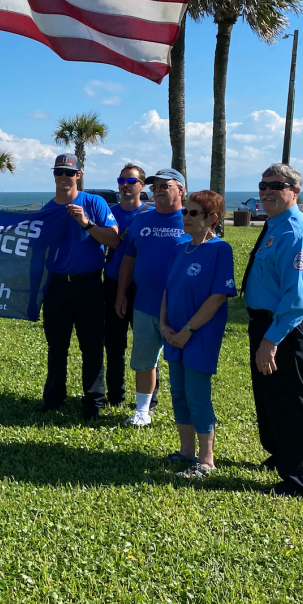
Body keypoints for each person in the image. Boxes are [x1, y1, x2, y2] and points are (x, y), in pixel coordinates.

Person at [242, 163, 303, 498]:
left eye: (276, 185)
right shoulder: (275, 225)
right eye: (263, 185)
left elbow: (296, 300)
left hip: (286, 329)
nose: (267, 191)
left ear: (295, 192)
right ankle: (281, 456)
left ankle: (298, 481)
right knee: (270, 398)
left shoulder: (296, 233)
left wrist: (270, 341)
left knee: (292, 402)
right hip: (266, 324)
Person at [161, 190, 236, 478]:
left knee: (196, 395)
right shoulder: (181, 249)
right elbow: (168, 289)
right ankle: (185, 452)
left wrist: (189, 329)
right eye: (185, 212)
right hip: (173, 334)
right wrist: (164, 324)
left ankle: (206, 460)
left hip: (199, 336)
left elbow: (218, 296)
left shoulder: (220, 250)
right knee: (178, 393)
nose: (186, 217)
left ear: (212, 218)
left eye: (193, 213)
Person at [39, 153, 119, 420]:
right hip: (57, 287)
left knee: (93, 345)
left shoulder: (93, 203)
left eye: (69, 173)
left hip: (89, 286)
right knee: (56, 345)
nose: (64, 177)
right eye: (59, 172)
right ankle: (53, 398)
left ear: (79, 175)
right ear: (53, 176)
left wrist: (86, 223)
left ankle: (93, 401)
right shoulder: (46, 211)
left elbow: (114, 240)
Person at [118, 168, 189, 427]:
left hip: (181, 308)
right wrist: (121, 294)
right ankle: (142, 412)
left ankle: (189, 413)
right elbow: (128, 258)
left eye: (165, 185)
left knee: (183, 363)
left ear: (180, 190)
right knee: (143, 360)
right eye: (155, 186)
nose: (158, 190)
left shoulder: (191, 220)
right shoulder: (142, 219)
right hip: (145, 304)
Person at [103, 164, 150, 407]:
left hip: (142, 287)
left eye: (131, 181)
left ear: (142, 185)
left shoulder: (150, 215)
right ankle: (115, 397)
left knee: (146, 345)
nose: (125, 185)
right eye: (122, 180)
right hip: (112, 284)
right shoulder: (108, 213)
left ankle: (148, 401)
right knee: (114, 344)